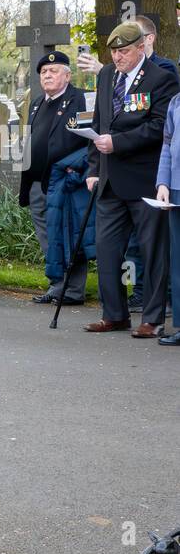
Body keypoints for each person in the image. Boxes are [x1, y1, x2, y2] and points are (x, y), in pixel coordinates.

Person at [83, 21, 180, 336]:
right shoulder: (106, 76)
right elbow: (100, 122)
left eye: (123, 51)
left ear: (141, 47)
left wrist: (119, 143)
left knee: (152, 251)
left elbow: (159, 127)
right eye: (113, 51)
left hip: (145, 179)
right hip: (110, 180)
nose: (117, 57)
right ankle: (114, 313)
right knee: (106, 248)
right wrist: (94, 168)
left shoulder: (161, 79)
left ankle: (151, 319)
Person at [20, 52, 90, 306]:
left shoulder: (80, 99)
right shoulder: (37, 103)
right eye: (44, 72)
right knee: (47, 235)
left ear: (68, 75)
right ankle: (57, 285)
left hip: (67, 182)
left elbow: (89, 141)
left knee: (70, 234)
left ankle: (72, 290)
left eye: (54, 71)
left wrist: (78, 169)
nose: (48, 75)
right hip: (38, 182)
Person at [156, 79, 180, 344]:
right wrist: (163, 182)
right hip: (175, 189)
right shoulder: (176, 102)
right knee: (178, 261)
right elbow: (167, 145)